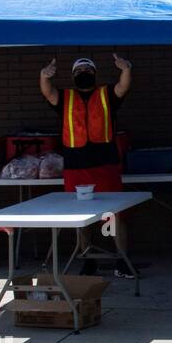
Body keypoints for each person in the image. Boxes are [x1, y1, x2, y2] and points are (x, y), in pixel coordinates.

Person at [40, 55, 133, 277]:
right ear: (73, 75)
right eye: (79, 70)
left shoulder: (107, 94)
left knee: (115, 214)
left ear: (94, 73)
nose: (83, 72)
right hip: (75, 167)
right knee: (81, 216)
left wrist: (126, 69)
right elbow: (48, 92)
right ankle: (88, 261)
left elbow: (123, 86)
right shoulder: (65, 98)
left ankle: (122, 261)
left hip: (106, 165)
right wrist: (44, 76)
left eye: (87, 69)